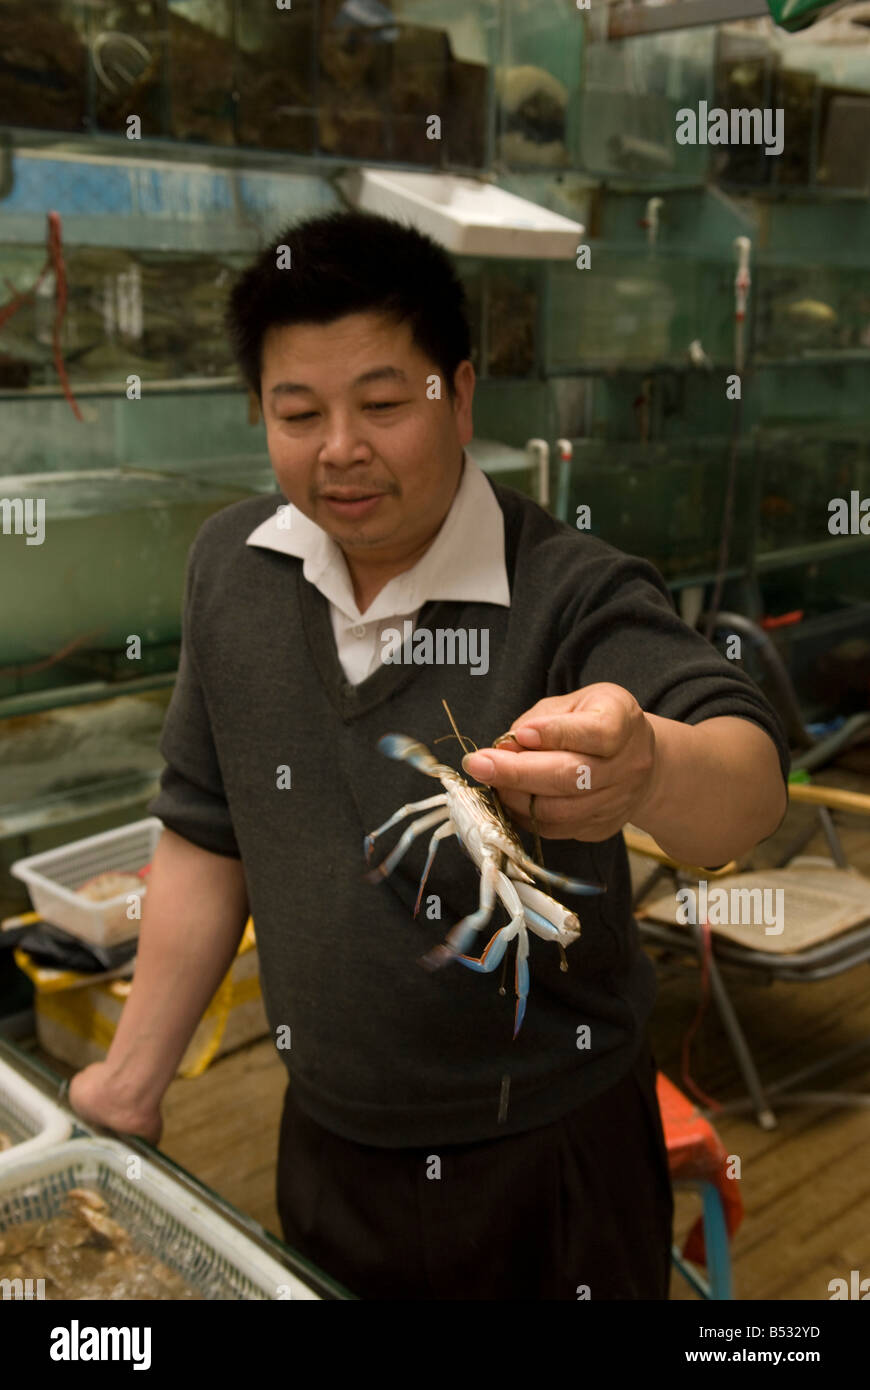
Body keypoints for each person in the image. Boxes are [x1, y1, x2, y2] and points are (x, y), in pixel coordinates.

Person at [69, 209, 790, 1301]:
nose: (340, 449)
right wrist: (131, 1079)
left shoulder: (570, 589)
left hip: (552, 1157)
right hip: (325, 1138)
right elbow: (206, 826)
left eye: (383, 402)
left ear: (459, 392)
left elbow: (747, 784)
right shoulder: (232, 568)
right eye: (297, 411)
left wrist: (647, 769)